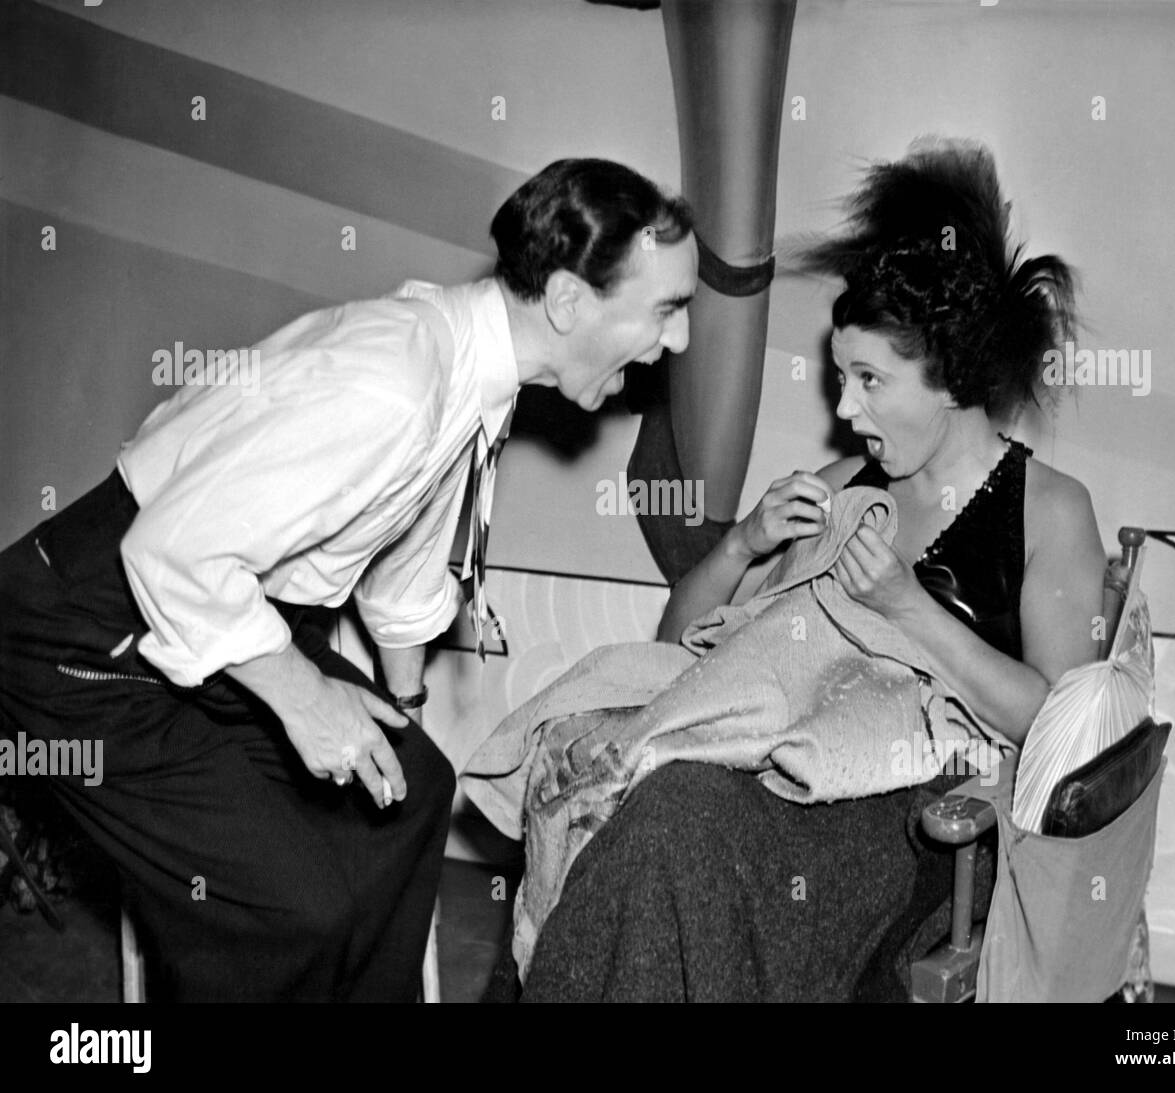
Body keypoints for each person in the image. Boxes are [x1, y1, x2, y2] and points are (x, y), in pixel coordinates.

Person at [0, 158, 697, 1001]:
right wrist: (302, 697)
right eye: (666, 309)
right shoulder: (393, 384)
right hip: (88, 634)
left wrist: (396, 705)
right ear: (567, 301)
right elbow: (169, 552)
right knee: (288, 908)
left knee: (413, 792)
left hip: (224, 617)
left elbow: (404, 554)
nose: (680, 340)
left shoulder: (471, 373)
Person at [515, 139, 1108, 1002]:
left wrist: (909, 611)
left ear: (952, 381)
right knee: (657, 807)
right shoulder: (838, 493)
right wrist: (742, 544)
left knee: (681, 823)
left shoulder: (1048, 509)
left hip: (915, 816)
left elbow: (1061, 733)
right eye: (840, 375)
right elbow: (688, 651)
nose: (843, 407)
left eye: (870, 379)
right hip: (771, 776)